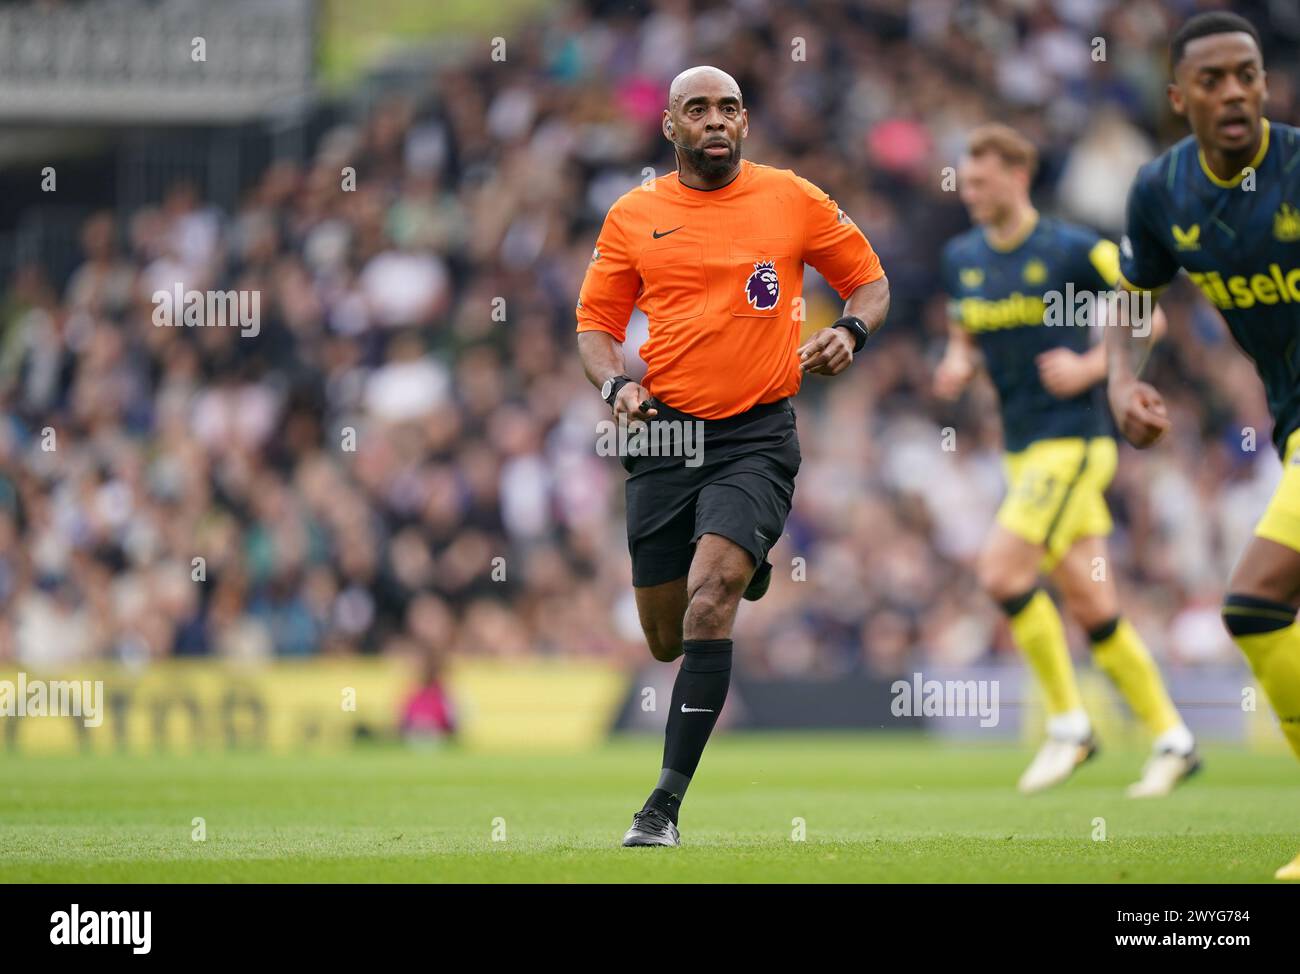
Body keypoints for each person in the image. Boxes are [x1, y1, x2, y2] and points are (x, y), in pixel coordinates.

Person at [575, 65, 890, 847]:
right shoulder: (633, 214)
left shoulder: (793, 197)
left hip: (756, 433)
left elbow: (870, 282)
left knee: (710, 595)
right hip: (664, 434)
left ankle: (662, 807)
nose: (714, 120)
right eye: (697, 109)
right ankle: (743, 558)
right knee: (665, 635)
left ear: (744, 122)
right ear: (670, 128)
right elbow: (595, 326)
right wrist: (614, 384)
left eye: (728, 108)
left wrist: (849, 331)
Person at [936, 123, 1198, 797]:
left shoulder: (1070, 248)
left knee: (1000, 571)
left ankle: (1069, 725)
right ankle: (1173, 739)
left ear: (1018, 178)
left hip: (1075, 443)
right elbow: (964, 332)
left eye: (982, 181)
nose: (970, 192)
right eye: (965, 181)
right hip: (1020, 451)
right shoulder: (962, 256)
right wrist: (956, 363)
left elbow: (1152, 313)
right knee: (1091, 602)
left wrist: (1091, 366)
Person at [1105, 11, 1300, 879]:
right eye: (1214, 80)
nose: (1235, 93)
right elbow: (1134, 293)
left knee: (1255, 602)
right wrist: (1121, 378)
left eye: (1248, 75)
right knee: (1257, 609)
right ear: (1179, 96)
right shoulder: (1161, 192)